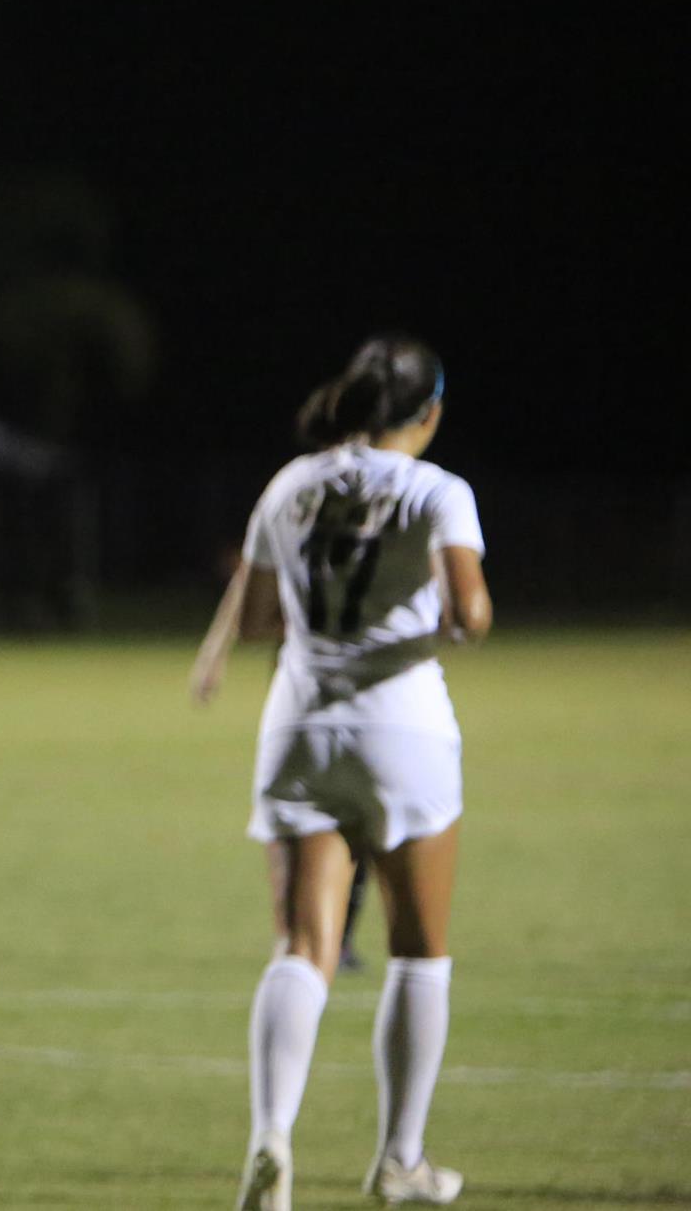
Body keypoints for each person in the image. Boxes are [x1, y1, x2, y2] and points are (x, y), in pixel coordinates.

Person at [190, 335, 492, 1210]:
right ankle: (400, 1159)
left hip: (298, 728)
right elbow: (469, 614)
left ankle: (272, 1140)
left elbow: (252, 621)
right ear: (427, 413)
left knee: (301, 947)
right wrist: (421, 631)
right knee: (418, 952)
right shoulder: (438, 490)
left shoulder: (291, 482)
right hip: (402, 731)